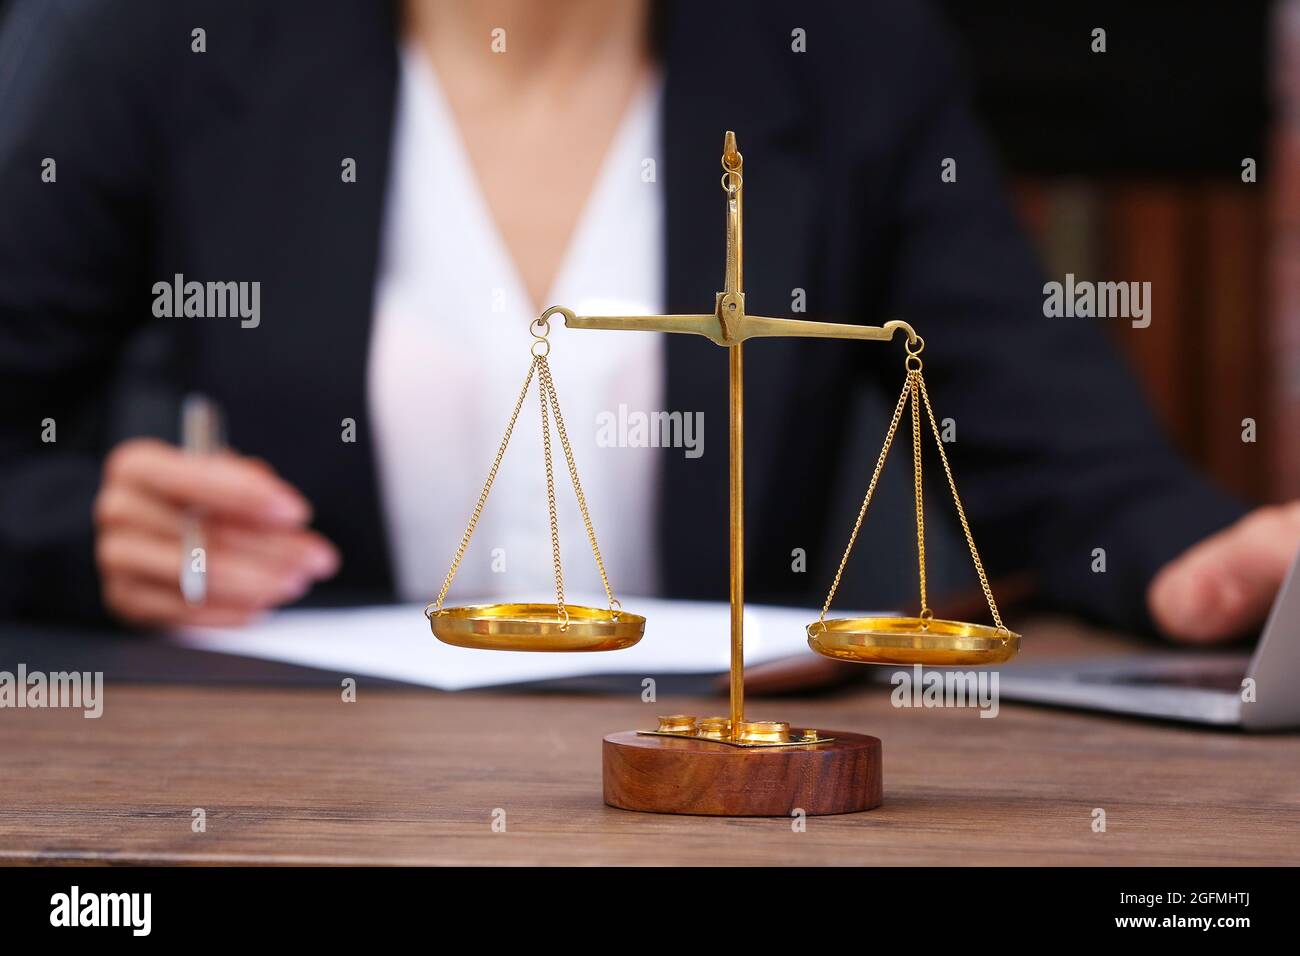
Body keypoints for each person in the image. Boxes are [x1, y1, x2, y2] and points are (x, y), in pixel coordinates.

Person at [0, 0, 1295, 643]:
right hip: (287, 804)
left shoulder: (846, 55)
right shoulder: (173, 45)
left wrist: (1204, 564)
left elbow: (1063, 450)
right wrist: (86, 537)